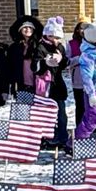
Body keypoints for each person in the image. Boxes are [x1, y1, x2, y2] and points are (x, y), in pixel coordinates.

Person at [32, 16, 70, 147]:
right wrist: (45, 62)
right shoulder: (40, 47)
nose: (56, 40)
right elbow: (35, 67)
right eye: (53, 37)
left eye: (58, 38)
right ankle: (48, 136)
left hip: (58, 84)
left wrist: (61, 59)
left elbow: (65, 64)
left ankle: (62, 136)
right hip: (45, 86)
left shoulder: (60, 47)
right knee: (47, 113)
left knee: (61, 113)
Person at [7, 15, 43, 94]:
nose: (28, 30)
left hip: (39, 83)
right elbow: (10, 66)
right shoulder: (14, 47)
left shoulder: (40, 46)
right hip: (21, 84)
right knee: (24, 106)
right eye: (25, 27)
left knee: (37, 106)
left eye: (30, 28)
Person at [67, 18, 90, 127]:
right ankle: (79, 127)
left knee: (90, 105)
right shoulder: (71, 44)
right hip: (78, 79)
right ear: (77, 30)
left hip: (91, 80)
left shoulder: (93, 43)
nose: (83, 31)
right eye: (81, 29)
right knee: (80, 105)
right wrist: (79, 59)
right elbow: (67, 61)